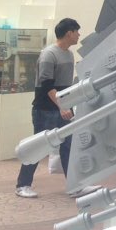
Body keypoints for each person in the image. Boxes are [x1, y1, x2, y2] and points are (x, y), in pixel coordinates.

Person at [15, 18, 92, 198]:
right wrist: (61, 106)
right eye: (77, 31)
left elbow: (64, 86)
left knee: (68, 146)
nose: (79, 35)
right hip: (45, 110)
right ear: (69, 33)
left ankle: (75, 186)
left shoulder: (69, 54)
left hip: (61, 108)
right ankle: (22, 185)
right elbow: (47, 85)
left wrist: (68, 105)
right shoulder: (49, 54)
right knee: (38, 147)